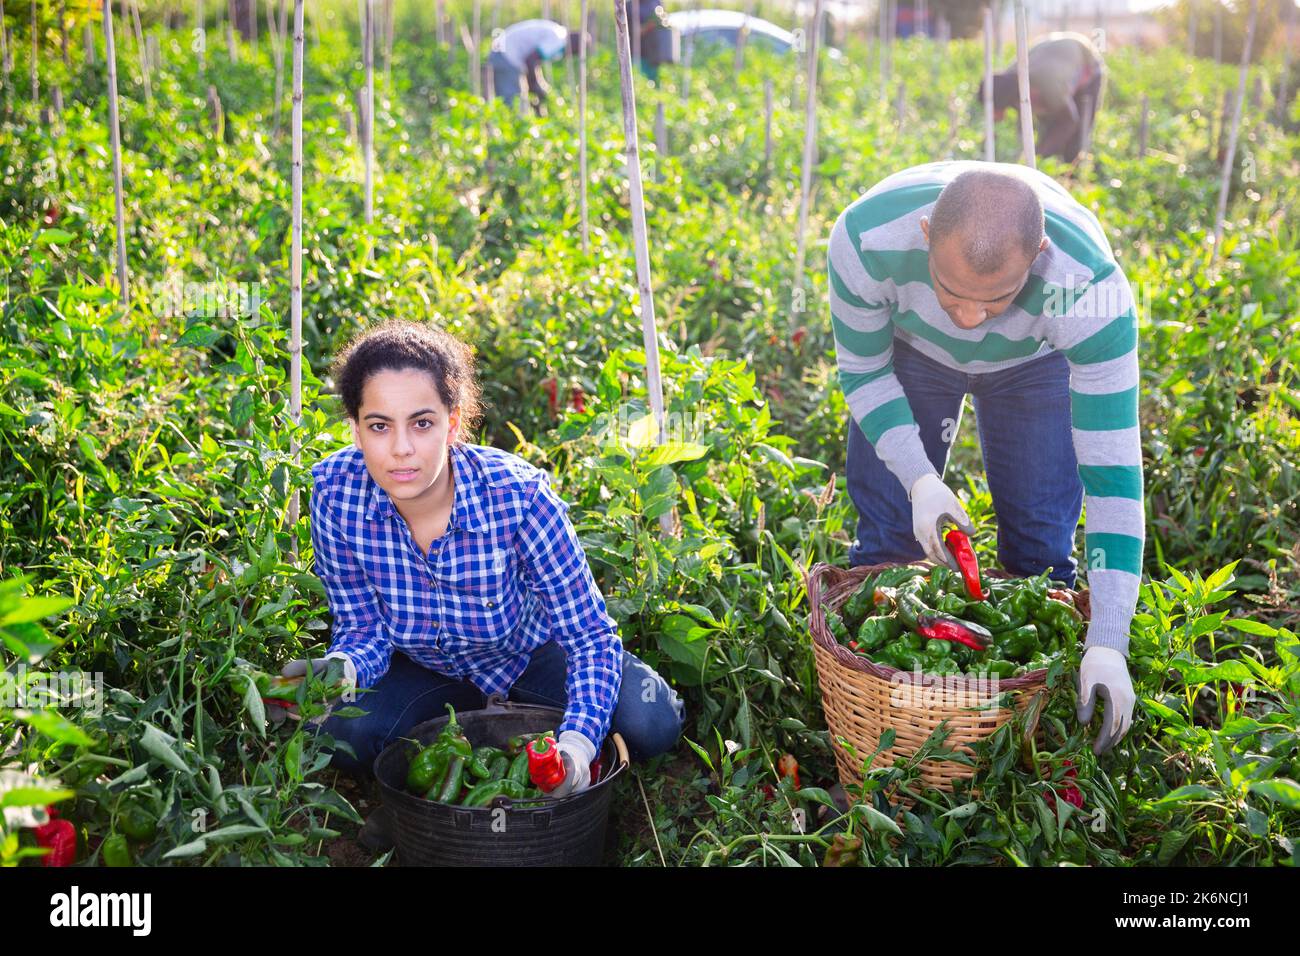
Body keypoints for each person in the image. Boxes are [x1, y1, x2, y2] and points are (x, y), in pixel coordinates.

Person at [289, 320, 684, 849]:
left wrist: (577, 744)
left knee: (650, 722)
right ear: (356, 428)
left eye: (422, 423)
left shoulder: (518, 498)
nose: (401, 448)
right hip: (425, 670)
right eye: (379, 426)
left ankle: (505, 744)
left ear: (453, 424)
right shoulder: (335, 495)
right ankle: (443, 762)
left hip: (528, 656)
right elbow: (363, 628)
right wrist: (340, 669)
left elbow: (589, 637)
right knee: (337, 730)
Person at [828, 161, 1141, 756]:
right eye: (952, 291)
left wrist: (1108, 637)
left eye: (995, 298)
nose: (970, 319)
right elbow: (865, 373)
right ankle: (879, 724)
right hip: (914, 348)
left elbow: (1114, 480)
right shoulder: (865, 240)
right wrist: (920, 481)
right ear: (924, 234)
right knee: (890, 543)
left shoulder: (1090, 291)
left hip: (1033, 362)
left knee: (1039, 551)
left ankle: (1008, 728)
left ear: (1040, 254)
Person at [980, 32, 1104, 163]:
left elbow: (1070, 121)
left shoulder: (1050, 84)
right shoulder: (1007, 80)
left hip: (1086, 62)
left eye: (995, 110)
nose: (995, 115)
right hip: (1051, 52)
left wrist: (1038, 156)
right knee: (1046, 126)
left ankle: (1069, 170)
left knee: (1075, 133)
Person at [488, 19, 584, 114]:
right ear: (574, 46)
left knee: (515, 101)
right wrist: (535, 87)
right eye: (575, 53)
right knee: (512, 103)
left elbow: (535, 62)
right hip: (506, 54)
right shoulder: (558, 39)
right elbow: (530, 60)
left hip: (503, 50)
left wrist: (537, 85)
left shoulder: (559, 33)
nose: (570, 56)